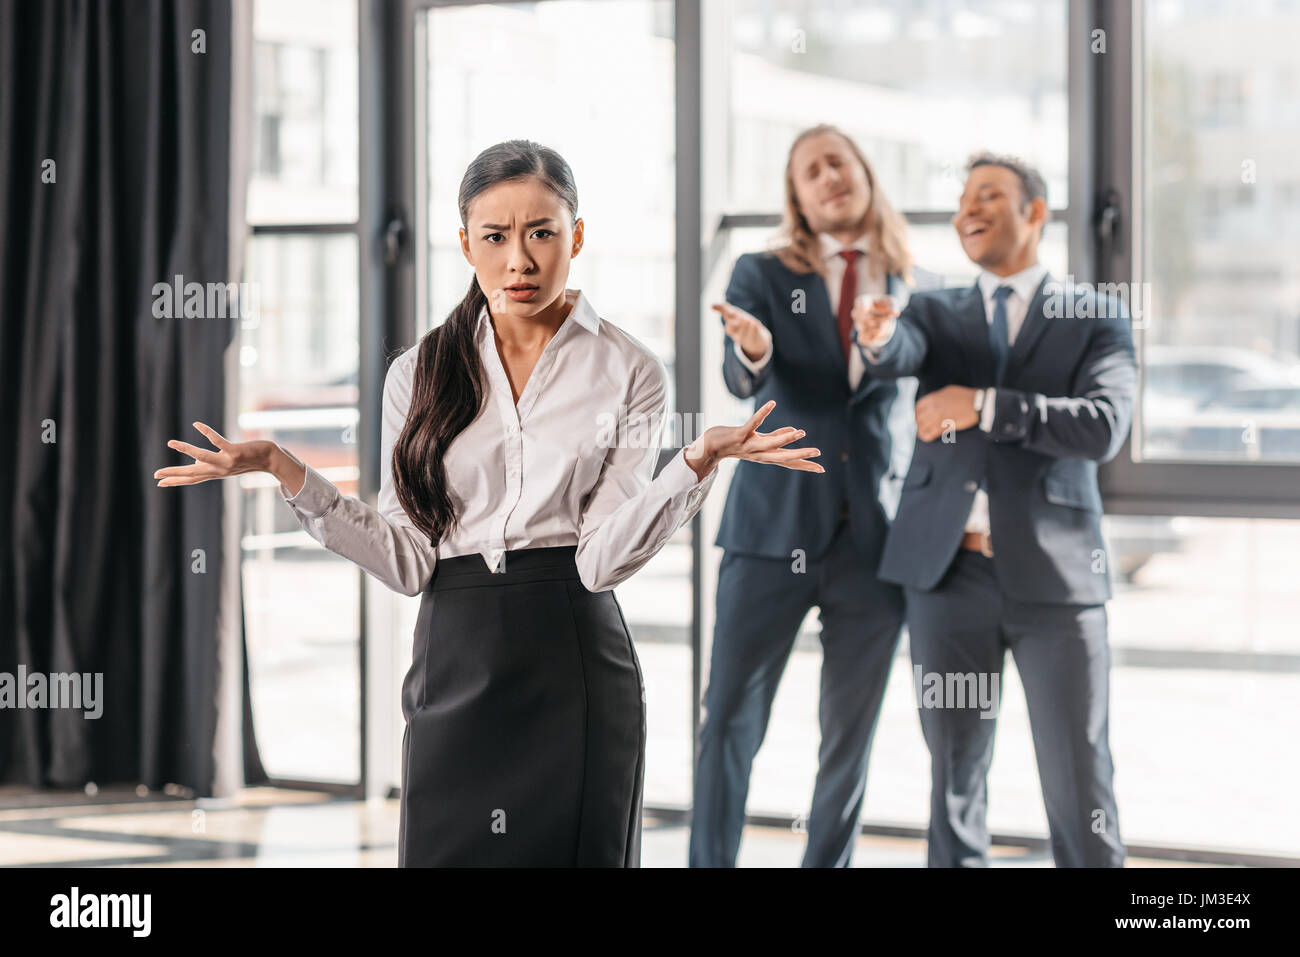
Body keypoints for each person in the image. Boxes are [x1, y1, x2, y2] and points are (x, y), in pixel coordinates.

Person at [154, 139, 824, 867]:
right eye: (496, 236)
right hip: (454, 656)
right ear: (464, 240)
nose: (520, 261)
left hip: (574, 659)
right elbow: (407, 561)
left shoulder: (630, 368)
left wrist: (694, 462)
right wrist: (288, 470)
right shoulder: (419, 371)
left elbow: (601, 561)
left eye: (541, 233)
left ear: (575, 235)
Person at [852, 151, 1136, 867]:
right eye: (962, 198)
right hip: (948, 576)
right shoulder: (936, 309)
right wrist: (879, 334)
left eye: (990, 195)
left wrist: (982, 405)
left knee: (1080, 776)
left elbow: (1102, 425)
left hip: (1056, 583)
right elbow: (897, 350)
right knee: (953, 776)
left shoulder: (1094, 314)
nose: (968, 209)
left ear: (1035, 212)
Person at [691, 124, 932, 867]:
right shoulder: (760, 271)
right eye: (809, 170)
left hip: (872, 542)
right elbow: (743, 371)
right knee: (730, 719)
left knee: (849, 738)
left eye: (839, 161)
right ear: (796, 194)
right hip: (771, 531)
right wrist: (756, 348)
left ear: (865, 173)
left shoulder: (910, 281)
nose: (828, 176)